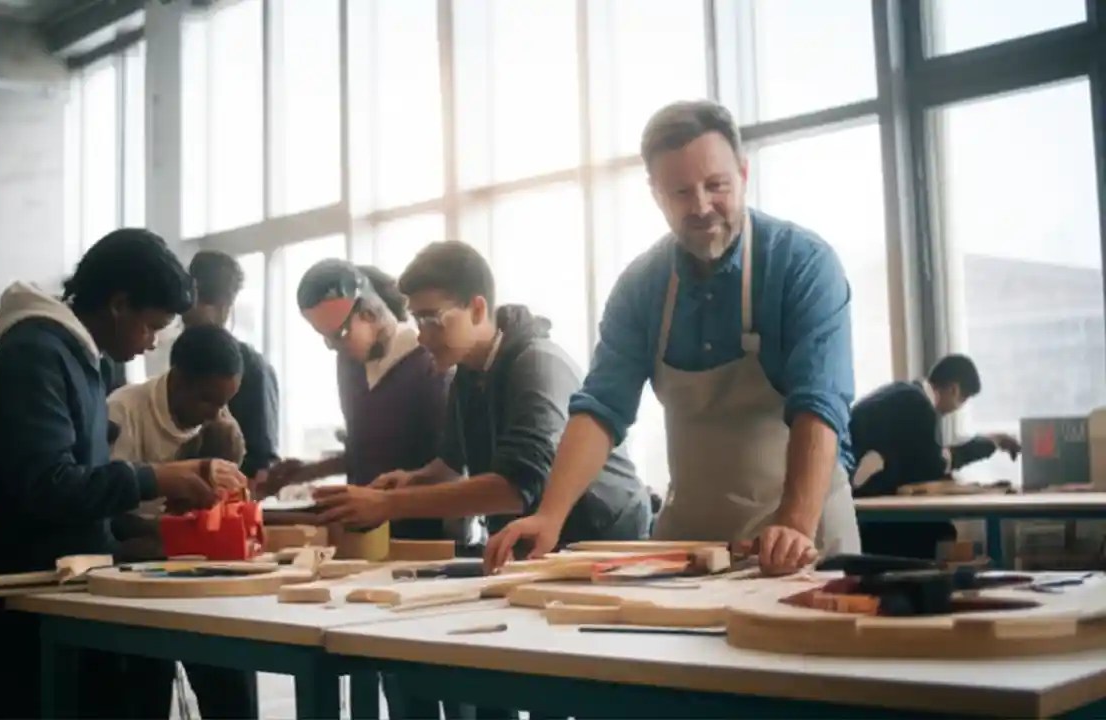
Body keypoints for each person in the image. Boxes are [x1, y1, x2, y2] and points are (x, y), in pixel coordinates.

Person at [485, 99, 861, 576]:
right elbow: (601, 408)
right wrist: (549, 515)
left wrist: (794, 527)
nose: (701, 207)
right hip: (692, 537)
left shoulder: (802, 265)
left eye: (716, 186)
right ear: (656, 194)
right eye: (681, 192)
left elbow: (819, 404)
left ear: (743, 173)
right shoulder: (643, 284)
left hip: (804, 534)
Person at [0, 228, 247, 719]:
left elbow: (87, 483)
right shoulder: (35, 359)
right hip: (15, 603)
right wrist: (155, 478)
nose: (151, 341)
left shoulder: (82, 361)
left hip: (60, 593)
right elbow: (49, 485)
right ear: (119, 304)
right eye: (151, 325)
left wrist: (157, 518)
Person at [311, 242, 652, 549]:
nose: (422, 337)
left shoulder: (536, 365)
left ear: (477, 309)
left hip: (604, 539)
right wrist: (409, 481)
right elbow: (449, 465)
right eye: (417, 320)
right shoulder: (467, 371)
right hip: (542, 546)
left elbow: (513, 490)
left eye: (432, 320)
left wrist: (387, 506)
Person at [106, 324, 261, 719]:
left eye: (225, 402)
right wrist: (170, 525)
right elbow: (106, 511)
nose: (216, 412)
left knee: (231, 688)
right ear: (178, 379)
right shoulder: (124, 411)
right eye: (208, 400)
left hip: (201, 578)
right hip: (135, 576)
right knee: (143, 695)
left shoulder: (219, 422)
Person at [268, 260, 453, 543]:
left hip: (424, 536)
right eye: (325, 339)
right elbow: (365, 452)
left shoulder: (429, 363)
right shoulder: (350, 366)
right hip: (361, 533)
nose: (333, 347)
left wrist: (389, 499)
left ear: (369, 314)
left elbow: (450, 466)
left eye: (338, 336)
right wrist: (308, 471)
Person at [849, 354, 1021, 558]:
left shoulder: (901, 394)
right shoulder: (919, 406)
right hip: (871, 512)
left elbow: (923, 457)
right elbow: (934, 464)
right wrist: (990, 443)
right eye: (963, 400)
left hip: (859, 503)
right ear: (954, 390)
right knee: (941, 532)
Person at [179, 250, 280, 478]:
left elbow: (262, 462)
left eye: (204, 299)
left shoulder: (253, 368)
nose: (188, 312)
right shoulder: (182, 359)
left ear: (225, 306)